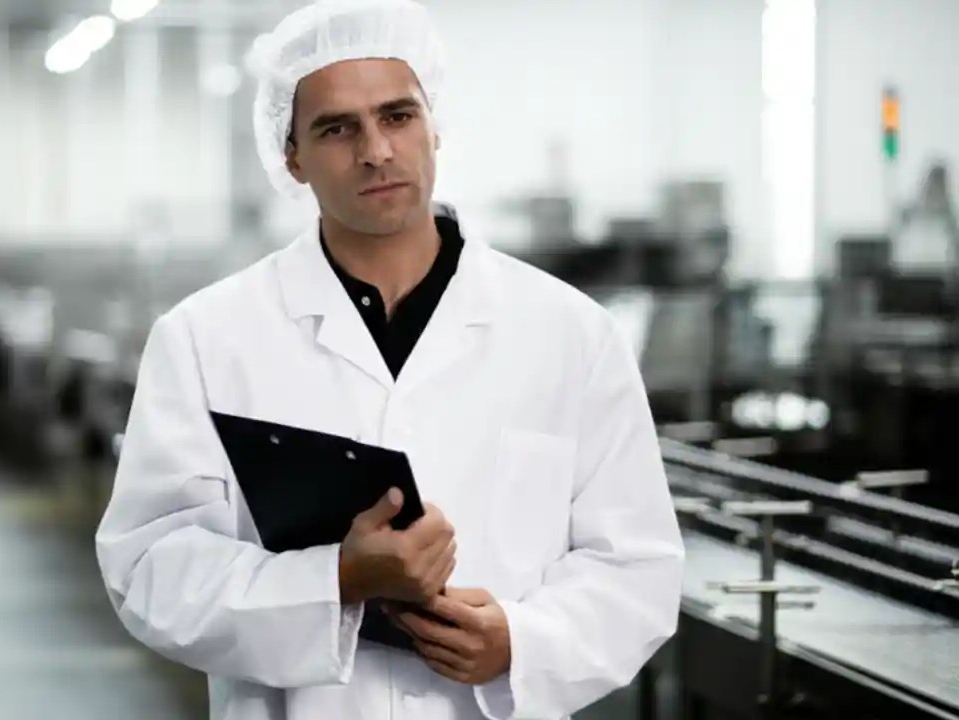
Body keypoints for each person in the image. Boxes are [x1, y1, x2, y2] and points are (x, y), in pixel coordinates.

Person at [95, 1, 685, 718]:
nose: (375, 150)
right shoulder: (205, 338)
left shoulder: (572, 335)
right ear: (291, 156)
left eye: (398, 116)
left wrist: (523, 644)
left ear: (435, 124)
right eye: (337, 128)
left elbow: (638, 569)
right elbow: (147, 566)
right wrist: (336, 582)